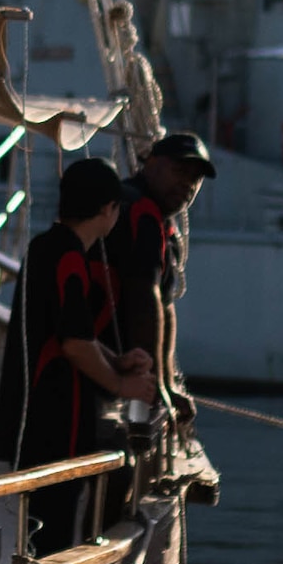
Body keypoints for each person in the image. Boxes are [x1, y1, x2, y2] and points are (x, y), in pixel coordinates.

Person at [16, 155, 151, 548]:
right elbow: (74, 344)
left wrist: (116, 359)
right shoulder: (70, 258)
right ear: (108, 211)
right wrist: (121, 385)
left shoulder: (44, 248)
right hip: (56, 416)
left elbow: (66, 335)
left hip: (36, 413)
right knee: (55, 521)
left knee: (43, 516)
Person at [104, 128, 215, 380]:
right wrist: (155, 384)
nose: (188, 184)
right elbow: (144, 298)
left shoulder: (162, 224)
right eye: (180, 171)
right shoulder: (138, 211)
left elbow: (164, 305)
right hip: (102, 364)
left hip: (114, 364)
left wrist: (168, 383)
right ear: (151, 162)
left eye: (195, 179)